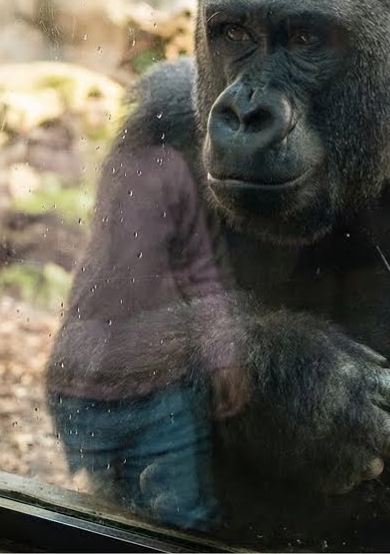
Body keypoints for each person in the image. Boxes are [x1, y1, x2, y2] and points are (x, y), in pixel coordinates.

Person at [44, 141, 248, 533]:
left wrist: (223, 355)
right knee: (153, 521)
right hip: (115, 388)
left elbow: (198, 270)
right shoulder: (149, 166)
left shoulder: (145, 165)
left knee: (134, 517)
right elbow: (196, 270)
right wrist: (223, 356)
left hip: (120, 387)